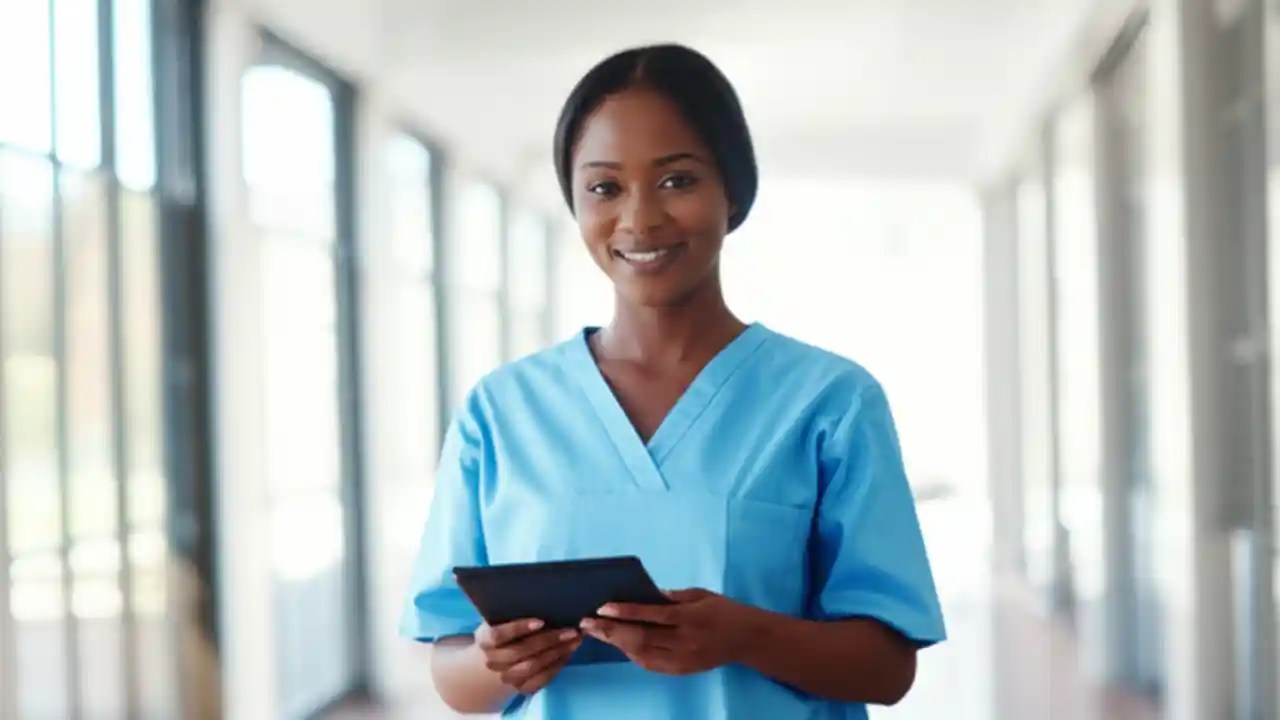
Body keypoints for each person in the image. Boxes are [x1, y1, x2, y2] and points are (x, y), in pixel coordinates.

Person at [399, 43, 945, 719]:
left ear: (733, 190)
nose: (639, 219)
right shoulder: (501, 411)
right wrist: (495, 661)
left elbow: (887, 669)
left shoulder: (828, 402)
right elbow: (453, 674)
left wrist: (747, 635)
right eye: (605, 187)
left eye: (676, 180)